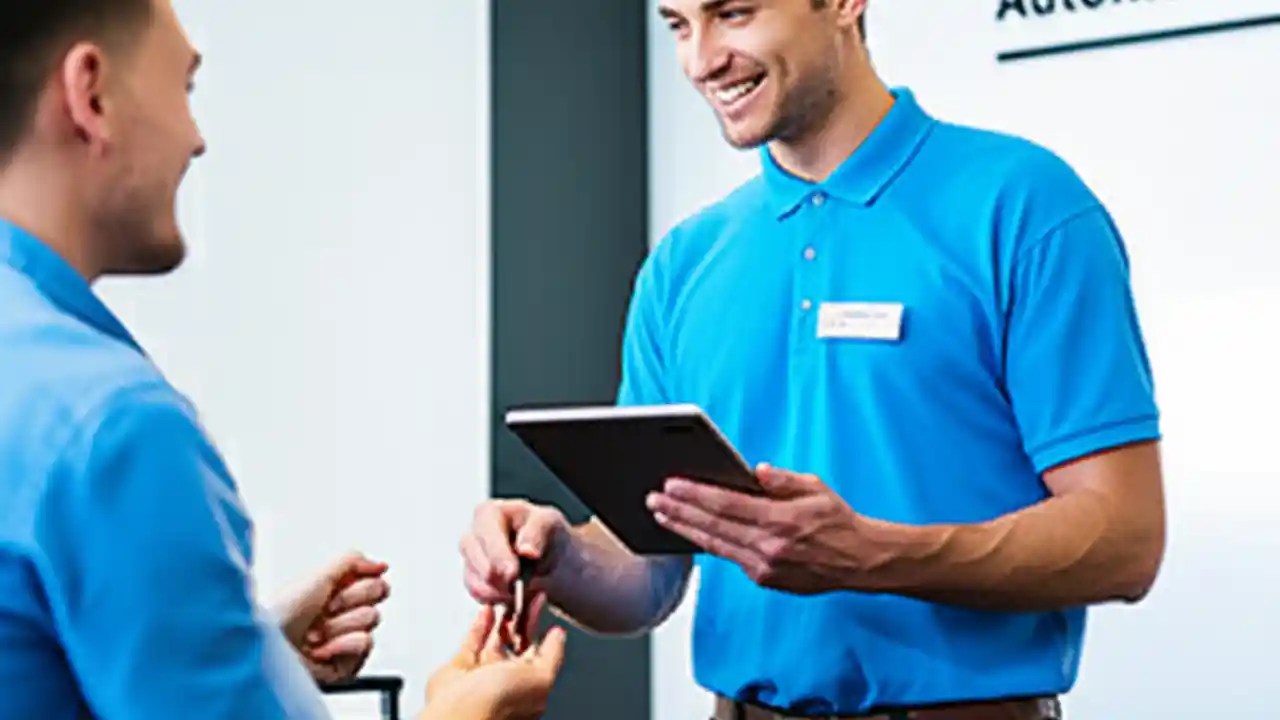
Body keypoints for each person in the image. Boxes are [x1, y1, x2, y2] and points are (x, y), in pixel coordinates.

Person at [460, 1, 1166, 718]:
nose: (702, 60)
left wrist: (874, 554)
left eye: (733, 13)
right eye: (678, 25)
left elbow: (1126, 540)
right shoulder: (684, 263)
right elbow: (651, 572)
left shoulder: (1025, 207)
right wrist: (560, 558)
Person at [0, 1, 564, 718]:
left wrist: (245, 650)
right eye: (184, 89)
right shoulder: (115, 430)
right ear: (93, 95)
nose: (196, 140)